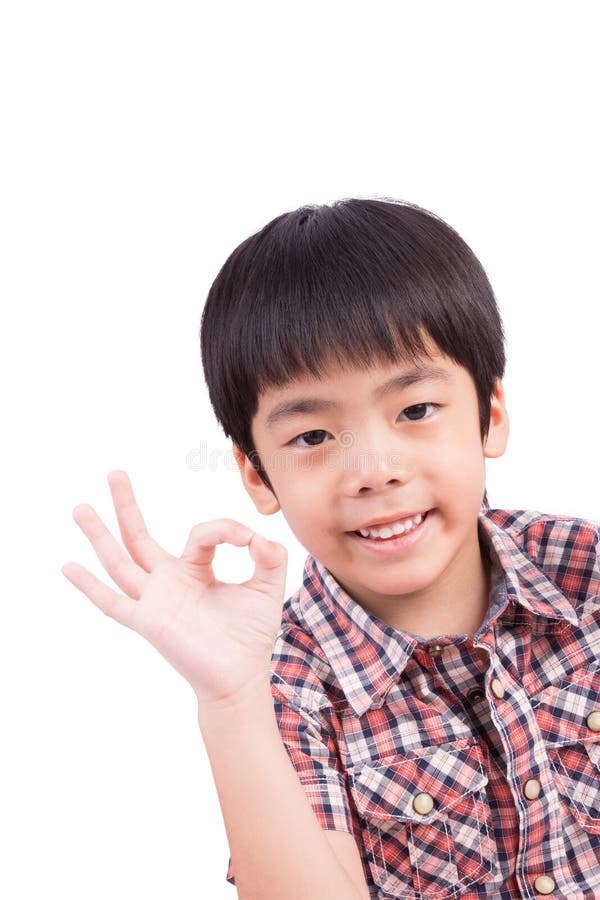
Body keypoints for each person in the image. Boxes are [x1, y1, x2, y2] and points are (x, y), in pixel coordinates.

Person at [62, 198, 600, 900]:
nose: (374, 470)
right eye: (313, 436)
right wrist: (231, 700)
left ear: (489, 416)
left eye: (415, 410)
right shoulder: (279, 685)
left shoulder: (584, 571)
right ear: (258, 474)